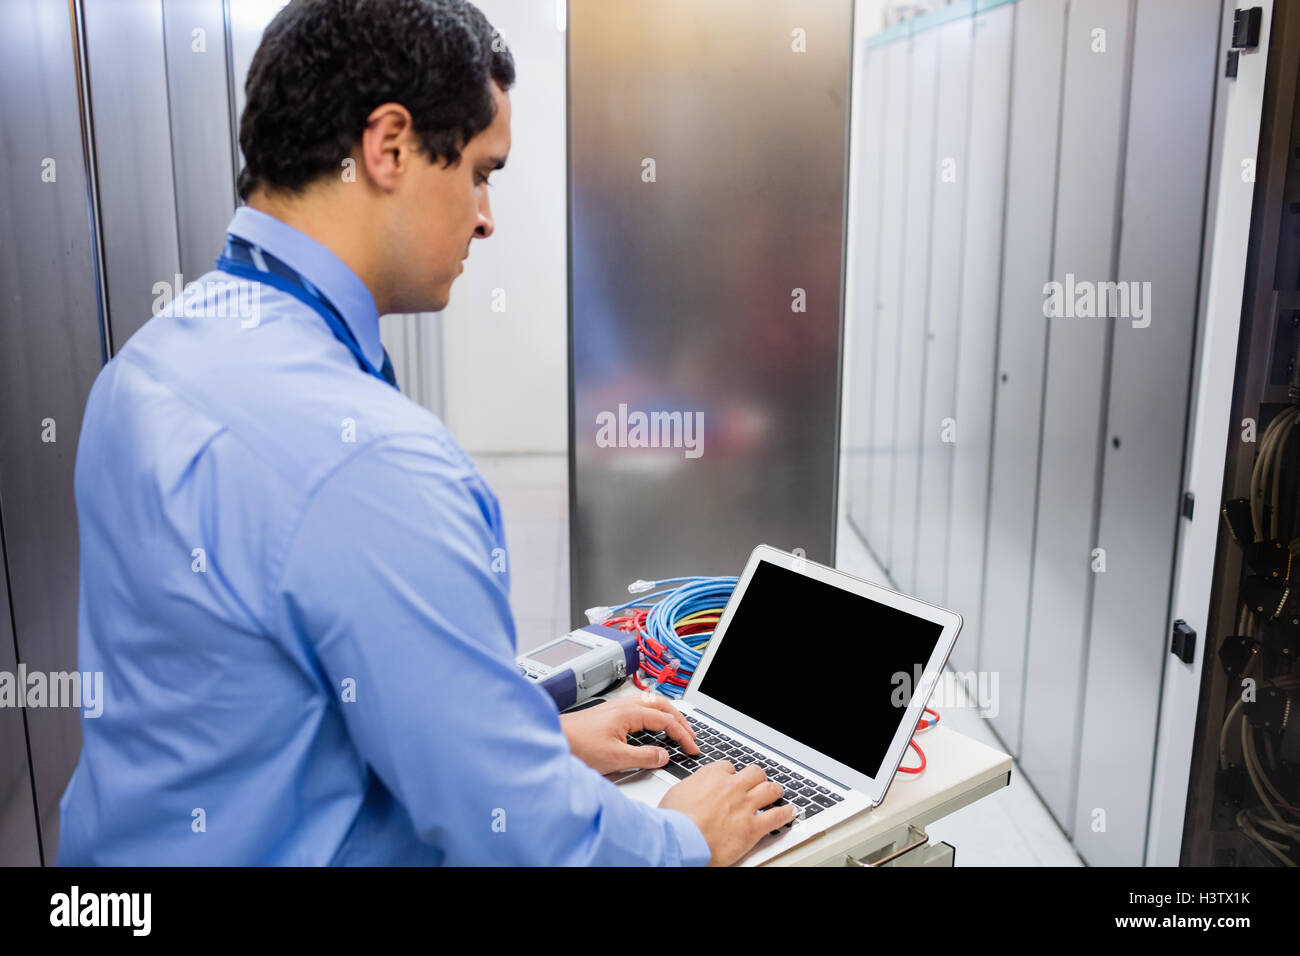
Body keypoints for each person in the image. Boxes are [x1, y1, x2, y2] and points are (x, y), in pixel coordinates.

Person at [57, 0, 794, 866]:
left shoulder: (144, 370)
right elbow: (530, 844)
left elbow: (267, 715)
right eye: (481, 172)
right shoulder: (371, 461)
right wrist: (683, 840)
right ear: (390, 146)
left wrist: (534, 744)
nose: (487, 217)